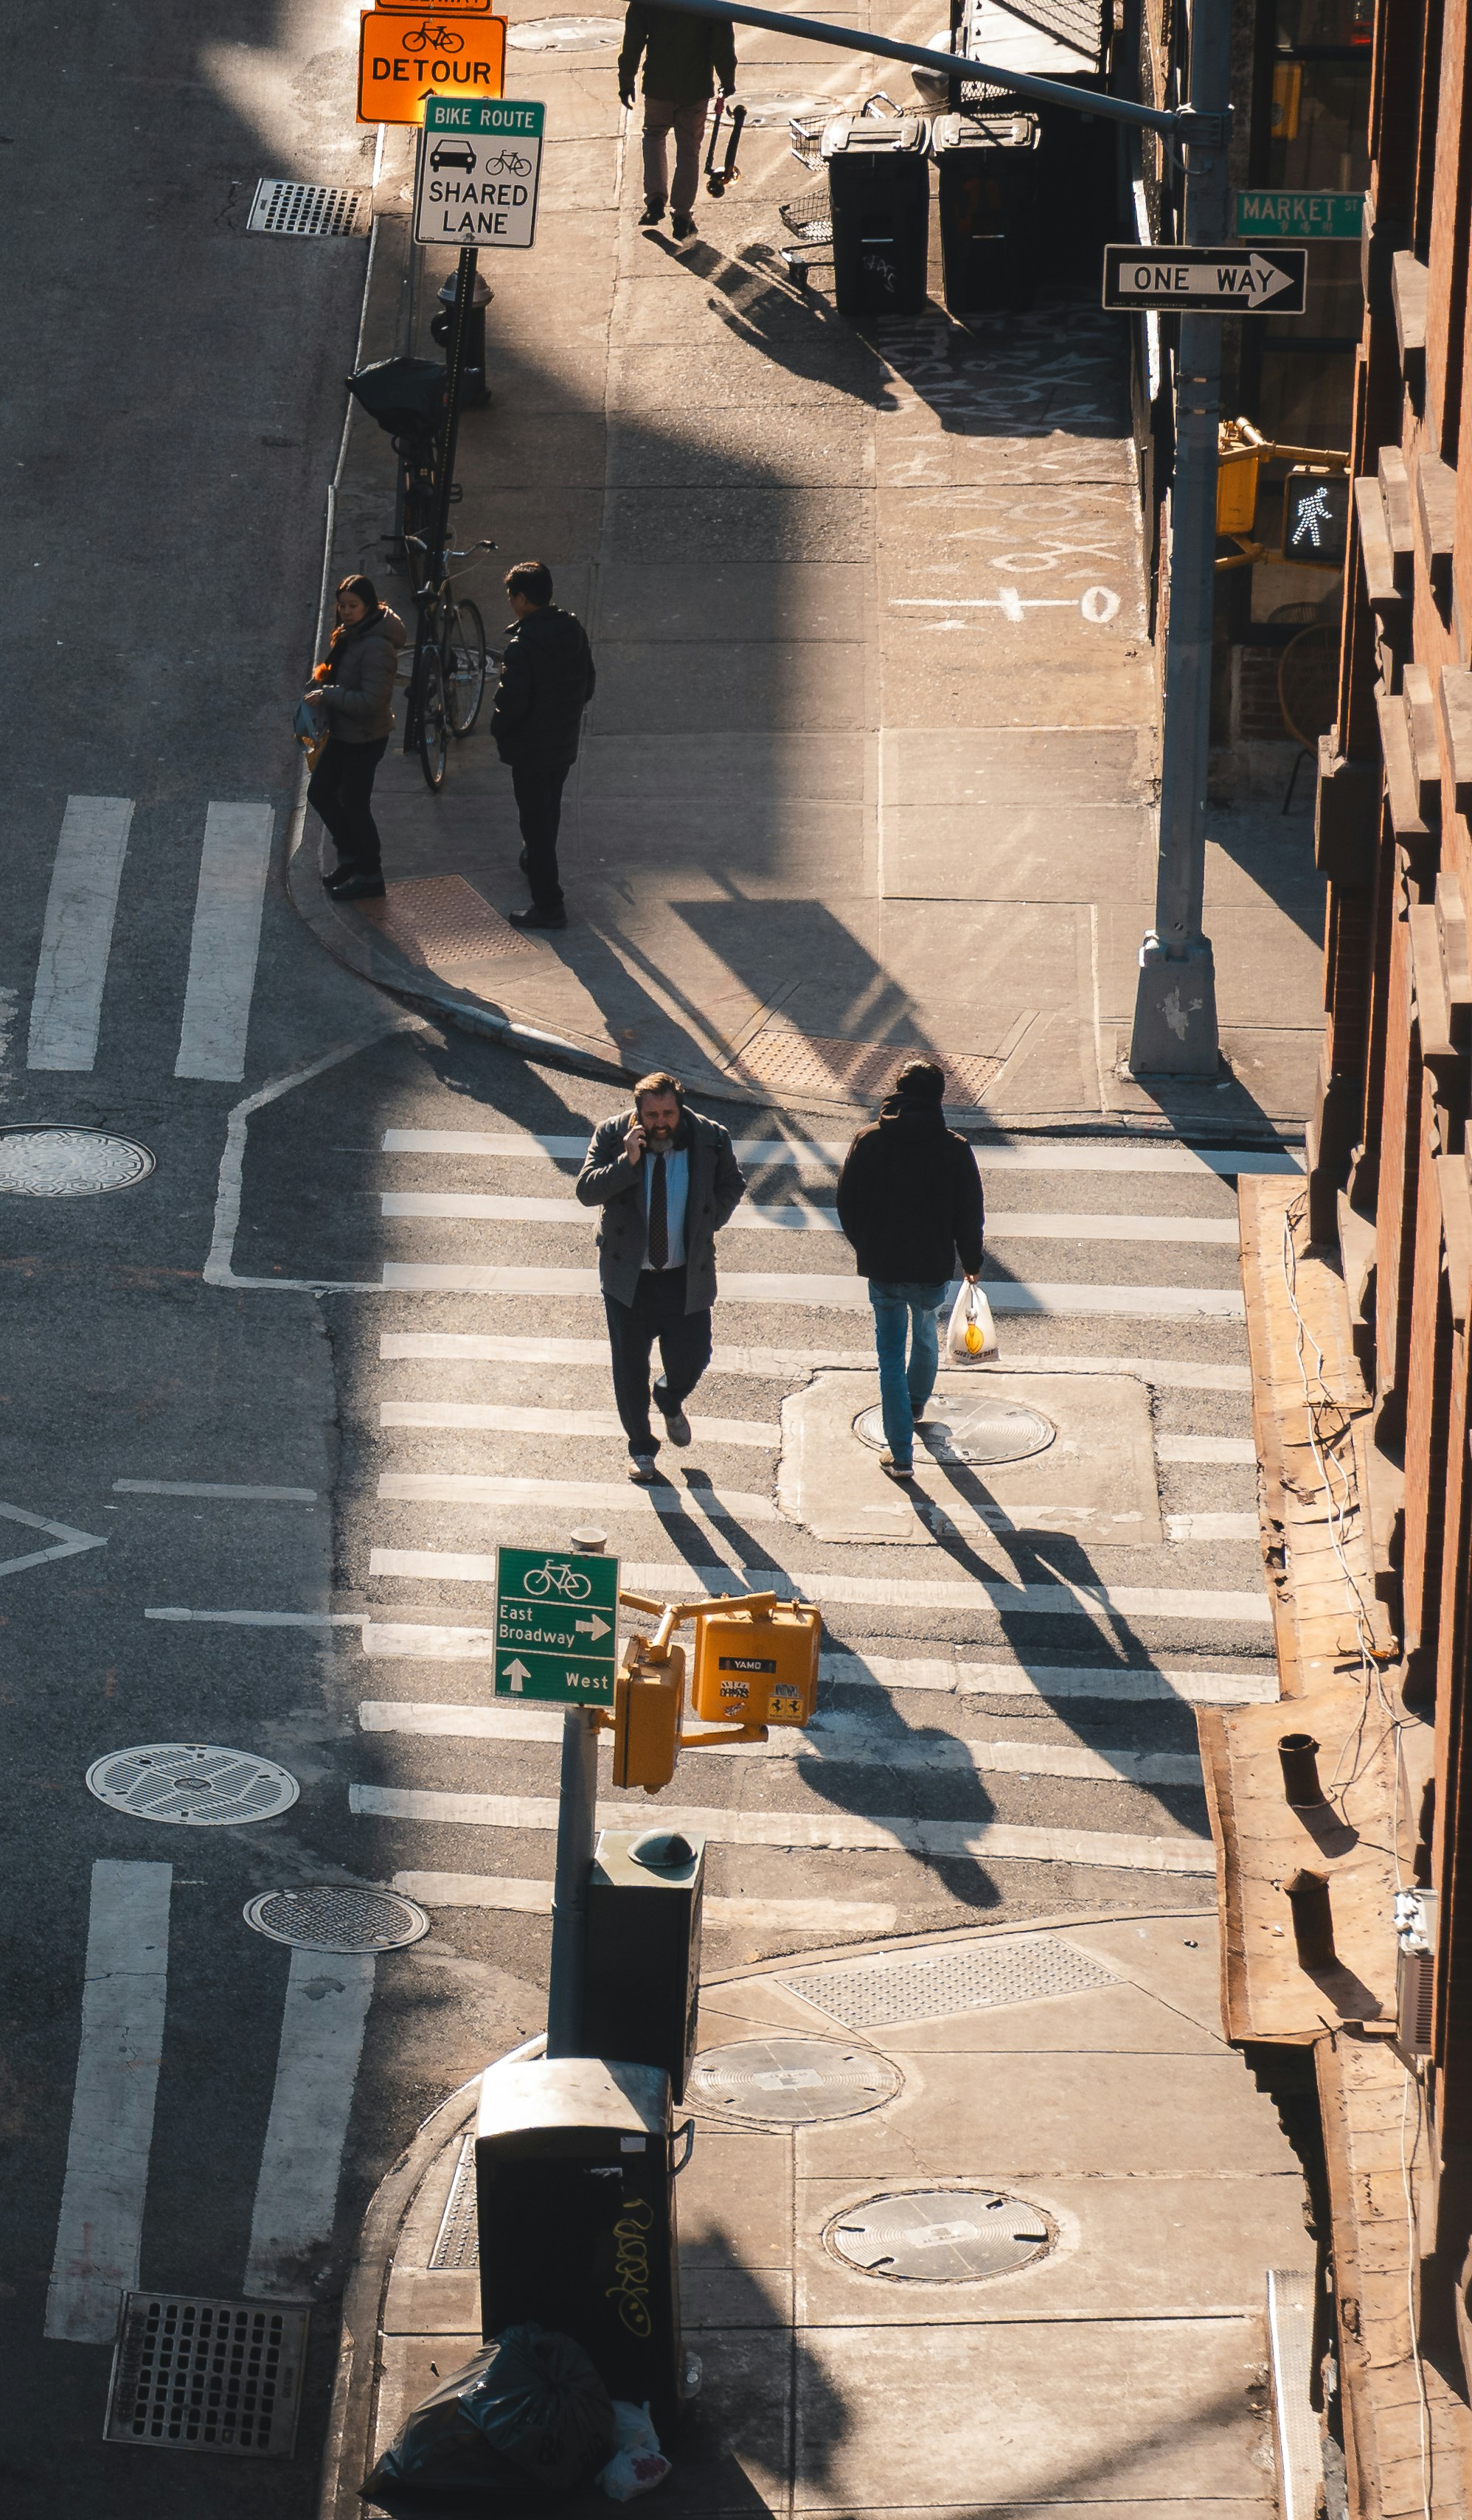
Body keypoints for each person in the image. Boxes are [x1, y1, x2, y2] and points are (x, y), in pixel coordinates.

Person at [577, 1071, 746, 1481]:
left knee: (694, 1356)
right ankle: (642, 1449)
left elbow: (733, 1185)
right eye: (651, 1115)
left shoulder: (711, 1138)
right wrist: (627, 1162)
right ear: (638, 1113)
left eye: (668, 1112)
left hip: (683, 1276)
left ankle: (669, 1397)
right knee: (629, 1367)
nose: (660, 1123)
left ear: (680, 1107)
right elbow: (586, 1191)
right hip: (629, 1279)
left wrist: (708, 1222)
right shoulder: (612, 1134)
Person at [836, 1059, 985, 1480]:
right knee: (925, 1333)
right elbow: (969, 1215)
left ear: (897, 1091)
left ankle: (900, 1453)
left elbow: (847, 1204)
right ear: (939, 1097)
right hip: (931, 1268)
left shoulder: (868, 1141)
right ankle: (917, 1402)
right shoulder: (954, 1148)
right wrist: (971, 1262)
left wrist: (866, 1245)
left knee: (888, 1356)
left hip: (883, 1266)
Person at [488, 560, 597, 933]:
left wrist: (499, 729)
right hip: (562, 743)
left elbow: (511, 704)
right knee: (548, 811)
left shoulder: (523, 646)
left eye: (511, 597)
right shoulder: (573, 631)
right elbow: (588, 686)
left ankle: (548, 903)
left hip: (532, 750)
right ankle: (535, 860)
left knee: (535, 821)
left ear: (521, 599)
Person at [303, 574, 406, 902]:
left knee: (356, 806)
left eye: (353, 606)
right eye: (343, 605)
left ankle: (370, 875)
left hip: (365, 737)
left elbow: (371, 702)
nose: (346, 612)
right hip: (344, 733)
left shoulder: (376, 646)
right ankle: (350, 859)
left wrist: (329, 695)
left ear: (369, 605)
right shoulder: (352, 634)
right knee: (320, 792)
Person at [618, 1, 736, 241]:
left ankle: (655, 200)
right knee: (689, 151)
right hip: (695, 88)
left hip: (658, 85)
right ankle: (682, 215)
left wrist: (626, 79)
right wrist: (727, 79)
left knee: (653, 135)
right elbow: (722, 44)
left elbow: (633, 41)